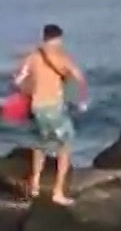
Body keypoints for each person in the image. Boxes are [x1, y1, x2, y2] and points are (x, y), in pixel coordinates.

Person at [11, 24, 88, 206]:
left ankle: (35, 185)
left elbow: (17, 80)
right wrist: (80, 100)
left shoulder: (32, 56)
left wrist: (28, 91)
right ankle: (58, 192)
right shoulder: (60, 56)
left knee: (41, 145)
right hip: (54, 106)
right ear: (59, 38)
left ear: (44, 37)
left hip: (36, 107)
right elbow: (79, 77)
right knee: (65, 146)